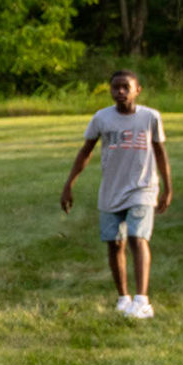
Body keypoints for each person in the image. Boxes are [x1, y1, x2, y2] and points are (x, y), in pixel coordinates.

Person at [59, 70, 173, 317]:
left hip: (143, 188)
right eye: (115, 88)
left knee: (137, 237)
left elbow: (160, 153)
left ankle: (142, 300)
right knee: (114, 243)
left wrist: (167, 187)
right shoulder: (102, 119)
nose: (120, 92)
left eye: (125, 87)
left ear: (137, 90)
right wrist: (69, 184)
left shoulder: (150, 117)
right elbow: (85, 152)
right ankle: (123, 298)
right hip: (111, 191)